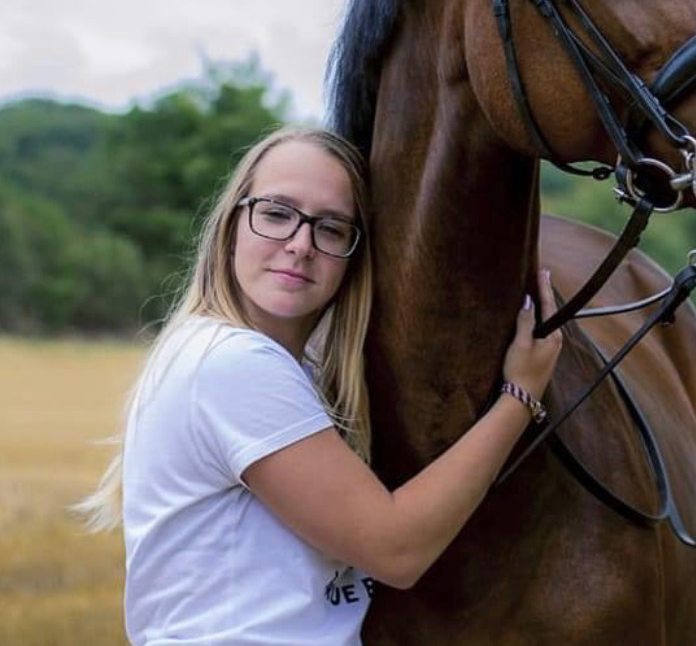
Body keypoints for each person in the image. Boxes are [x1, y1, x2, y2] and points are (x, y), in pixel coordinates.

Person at [79, 126, 562, 646]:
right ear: (232, 225)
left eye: (331, 229)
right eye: (276, 214)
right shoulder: (233, 364)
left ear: (353, 255)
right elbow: (395, 550)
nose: (301, 245)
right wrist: (520, 395)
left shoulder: (272, 363)